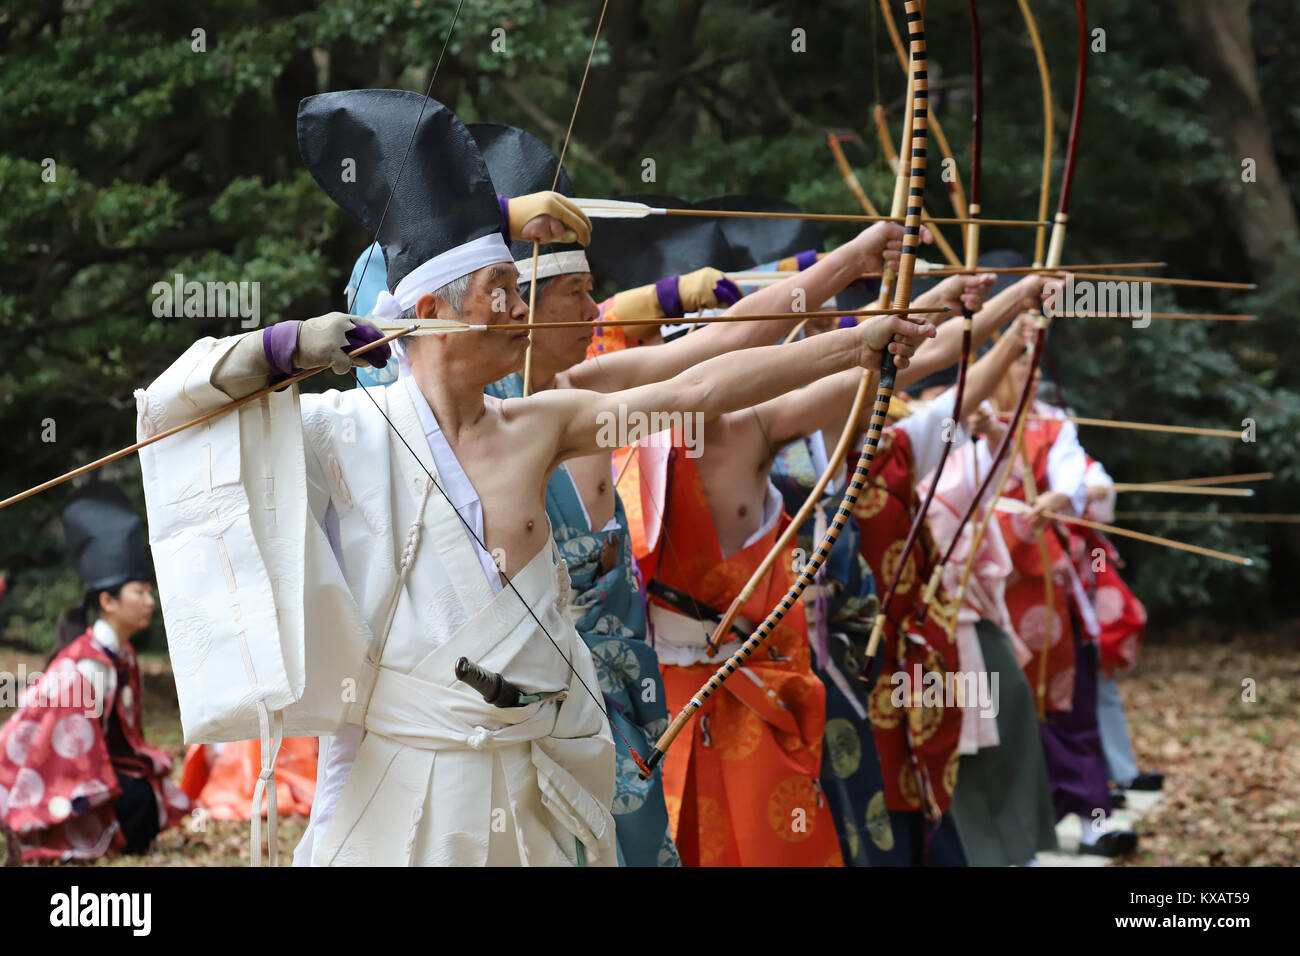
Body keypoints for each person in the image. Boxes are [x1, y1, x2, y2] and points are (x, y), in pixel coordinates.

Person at [136, 90, 935, 867]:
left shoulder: (539, 422)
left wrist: (858, 344)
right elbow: (182, 412)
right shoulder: (348, 433)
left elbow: (695, 388)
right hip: (409, 763)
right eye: (504, 291)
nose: (524, 311)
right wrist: (285, 349)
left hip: (537, 759)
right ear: (437, 313)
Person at [985, 348, 1138, 857]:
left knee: (1069, 704)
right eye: (1015, 359)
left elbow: (1078, 480)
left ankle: (1095, 819)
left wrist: (1060, 497)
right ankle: (1018, 834)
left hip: (1046, 585)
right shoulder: (964, 416)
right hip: (983, 587)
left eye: (1031, 361)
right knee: (1000, 713)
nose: (1027, 373)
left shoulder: (1050, 424)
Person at [0, 483, 190, 861]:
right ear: (108, 601)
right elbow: (68, 754)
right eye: (139, 592)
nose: (150, 602)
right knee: (133, 798)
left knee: (146, 787)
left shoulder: (122, 655)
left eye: (149, 593)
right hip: (50, 772)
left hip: (97, 765)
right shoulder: (85, 664)